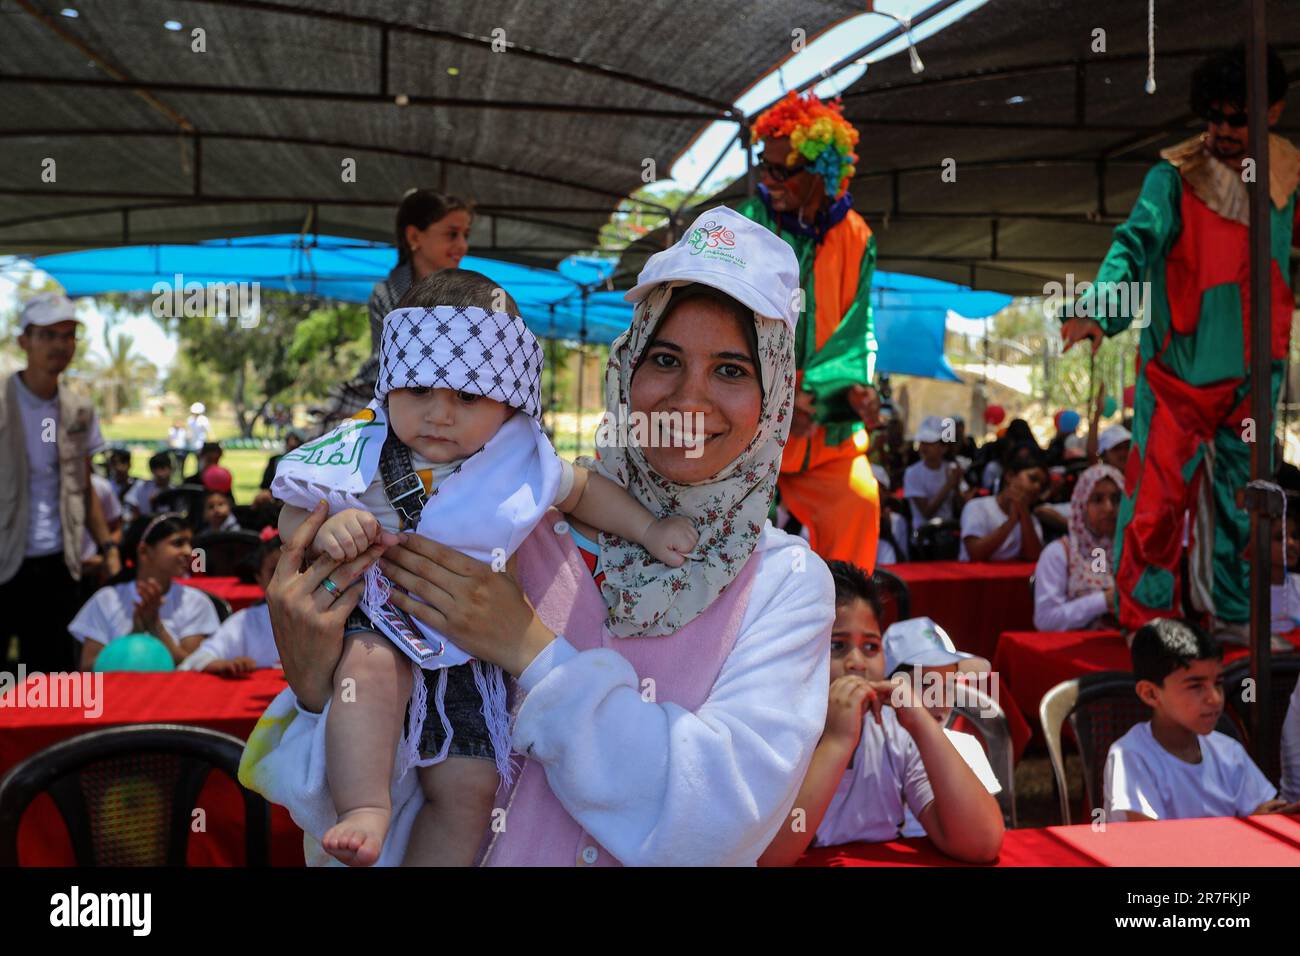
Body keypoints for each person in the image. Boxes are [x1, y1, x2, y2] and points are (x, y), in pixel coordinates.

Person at [240, 205, 836, 867]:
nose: (688, 399)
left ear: (775, 394)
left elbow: (717, 825)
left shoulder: (784, 583)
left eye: (731, 370)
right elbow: (349, 783)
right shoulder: (507, 511)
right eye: (664, 359)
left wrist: (530, 651)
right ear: (627, 367)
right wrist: (314, 680)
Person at [271, 268, 700, 867]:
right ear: (389, 385)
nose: (439, 414)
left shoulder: (521, 458)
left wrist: (650, 528)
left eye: (467, 397)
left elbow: (583, 492)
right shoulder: (362, 447)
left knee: (470, 788)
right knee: (367, 676)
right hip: (378, 625)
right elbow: (294, 514)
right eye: (418, 391)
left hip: (471, 652)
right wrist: (324, 531)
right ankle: (364, 807)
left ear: (510, 400)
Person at [1061, 46, 1300, 638]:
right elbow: (1134, 246)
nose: (1219, 130)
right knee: (1156, 507)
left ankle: (1237, 617)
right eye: (1212, 116)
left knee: (1248, 506)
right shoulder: (1172, 177)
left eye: (1235, 117)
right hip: (1179, 375)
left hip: (1256, 378)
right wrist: (1098, 308)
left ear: (1271, 112)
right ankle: (1149, 623)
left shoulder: (1289, 174)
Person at [758, 563, 1004, 865]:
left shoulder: (894, 733)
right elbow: (770, 857)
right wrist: (837, 743)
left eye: (871, 646)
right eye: (837, 645)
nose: (857, 663)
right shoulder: (771, 733)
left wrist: (923, 725)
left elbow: (981, 843)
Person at [739, 90, 882, 570]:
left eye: (783, 170)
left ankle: (841, 635)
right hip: (748, 433)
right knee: (737, 538)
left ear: (821, 172)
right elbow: (728, 327)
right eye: (765, 165)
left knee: (860, 502)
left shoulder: (856, 236)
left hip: (821, 436)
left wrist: (838, 393)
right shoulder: (747, 226)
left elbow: (854, 333)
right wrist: (778, 396)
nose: (768, 179)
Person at [0, 293, 120, 675]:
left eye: (68, 336)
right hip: (5, 555)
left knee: (49, 672)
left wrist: (107, 546)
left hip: (59, 560)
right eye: (48, 335)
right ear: (24, 341)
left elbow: (83, 487)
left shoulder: (77, 409)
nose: (60, 345)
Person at [1103, 618, 1297, 821]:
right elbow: (1153, 843)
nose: (1215, 698)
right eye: (1196, 686)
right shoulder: (1130, 757)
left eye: (1218, 683)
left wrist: (1272, 817)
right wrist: (1244, 829)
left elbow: (1262, 812)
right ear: (1150, 694)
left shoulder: (1229, 752)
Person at [316, 191, 474, 429]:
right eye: (452, 234)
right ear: (414, 236)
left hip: (456, 405)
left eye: (465, 235)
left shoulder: (470, 295)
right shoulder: (385, 295)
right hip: (392, 400)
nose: (462, 245)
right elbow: (390, 368)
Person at [879, 617, 1002, 838]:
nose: (941, 701)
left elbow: (986, 833)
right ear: (886, 686)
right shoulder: (868, 756)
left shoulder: (967, 749)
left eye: (949, 686)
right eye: (926, 684)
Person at [69, 513, 219, 670]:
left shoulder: (196, 602)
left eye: (190, 543)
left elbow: (193, 667)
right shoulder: (106, 599)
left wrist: (156, 626)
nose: (189, 551)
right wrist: (135, 633)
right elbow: (87, 668)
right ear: (144, 551)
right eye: (178, 543)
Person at [1033, 463, 1124, 631]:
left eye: (1116, 499)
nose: (1109, 508)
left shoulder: (1132, 550)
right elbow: (1046, 621)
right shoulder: (1060, 553)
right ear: (1081, 505)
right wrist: (1104, 601)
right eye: (1097, 499)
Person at [181, 533, 281, 676]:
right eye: (274, 572)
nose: (285, 579)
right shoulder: (245, 622)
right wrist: (224, 665)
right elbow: (198, 658)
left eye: (297, 569)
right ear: (259, 578)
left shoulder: (323, 618)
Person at [960, 443, 1047, 562]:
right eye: (1032, 479)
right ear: (1010, 476)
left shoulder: (1032, 520)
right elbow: (975, 553)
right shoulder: (977, 507)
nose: (1037, 487)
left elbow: (1034, 557)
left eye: (1041, 485)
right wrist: (1011, 522)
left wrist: (1023, 514)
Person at [903, 414, 969, 528]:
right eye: (922, 442)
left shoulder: (951, 469)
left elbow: (962, 508)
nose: (924, 447)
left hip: (948, 532)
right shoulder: (912, 473)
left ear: (944, 447)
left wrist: (957, 487)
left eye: (930, 443)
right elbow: (927, 512)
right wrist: (949, 485)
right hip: (924, 536)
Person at [1267, 508, 1300, 636]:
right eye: (1279, 538)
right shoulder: (1245, 592)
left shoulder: (1298, 585)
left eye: (1295, 536)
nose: (1291, 543)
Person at [123, 451, 174, 522]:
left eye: (163, 468)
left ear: (170, 469)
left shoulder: (175, 491)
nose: (160, 473)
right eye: (156, 469)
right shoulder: (141, 486)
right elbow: (131, 505)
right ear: (151, 470)